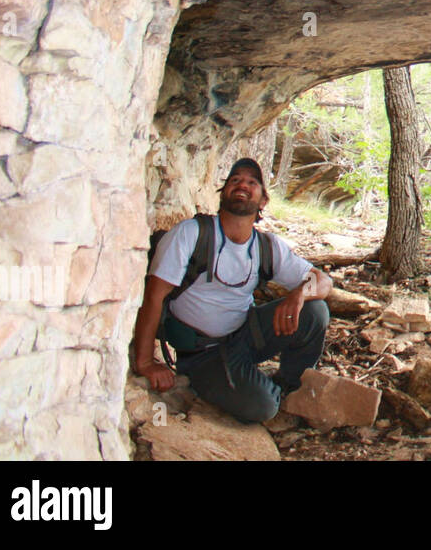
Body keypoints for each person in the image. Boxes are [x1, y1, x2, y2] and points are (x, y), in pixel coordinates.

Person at [131, 158, 333, 423]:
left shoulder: (266, 246)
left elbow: (324, 281)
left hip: (244, 336)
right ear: (223, 192)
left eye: (252, 182)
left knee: (314, 310)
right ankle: (253, 389)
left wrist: (298, 294)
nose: (242, 185)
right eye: (235, 180)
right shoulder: (191, 234)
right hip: (202, 354)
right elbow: (154, 297)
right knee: (262, 407)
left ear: (262, 202)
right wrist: (145, 362)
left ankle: (289, 388)